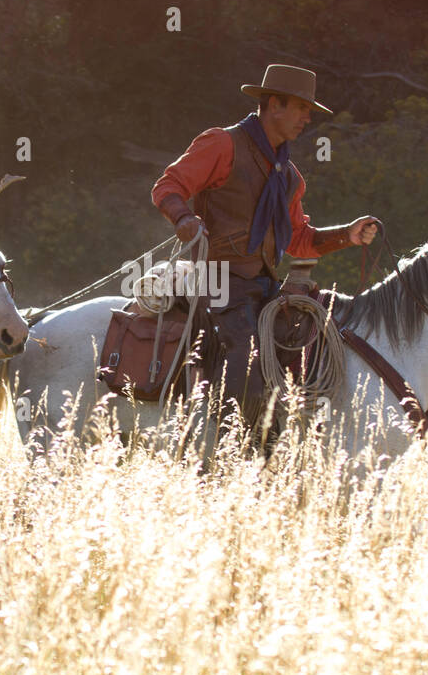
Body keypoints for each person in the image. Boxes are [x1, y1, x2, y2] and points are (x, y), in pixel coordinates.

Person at [151, 63, 380, 429]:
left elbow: (300, 241)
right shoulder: (222, 143)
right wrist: (183, 219)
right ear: (274, 105)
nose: (307, 118)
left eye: (309, 111)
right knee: (248, 364)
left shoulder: (288, 176)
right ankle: (232, 449)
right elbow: (168, 186)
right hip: (217, 280)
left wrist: (346, 235)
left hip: (263, 287)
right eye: (302, 108)